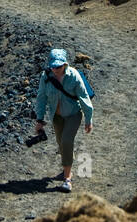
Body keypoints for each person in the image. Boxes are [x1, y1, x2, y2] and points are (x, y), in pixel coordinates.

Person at [34, 49, 93, 192]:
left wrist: (88, 119)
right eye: (53, 67)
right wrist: (39, 119)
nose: (55, 70)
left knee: (66, 141)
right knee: (61, 144)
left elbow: (84, 98)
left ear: (65, 64)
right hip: (57, 116)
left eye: (58, 67)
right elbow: (41, 98)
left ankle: (67, 179)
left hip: (73, 114)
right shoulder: (45, 77)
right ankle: (68, 163)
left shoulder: (74, 76)